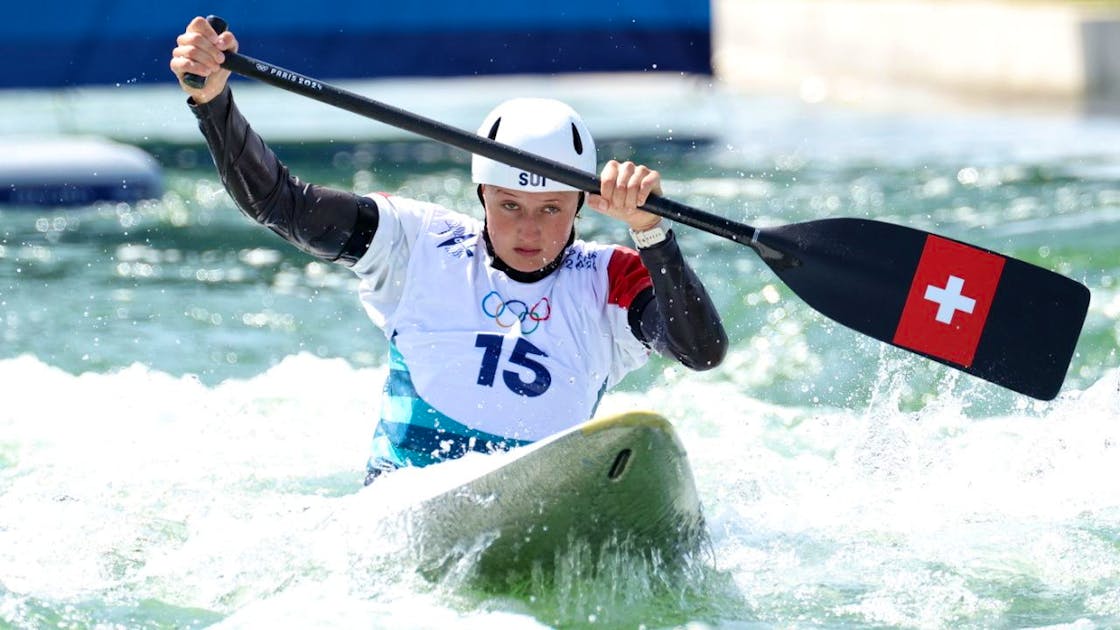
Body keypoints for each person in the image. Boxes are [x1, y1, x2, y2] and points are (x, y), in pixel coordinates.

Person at [170, 17, 727, 484]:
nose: (529, 231)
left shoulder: (613, 278)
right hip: (404, 500)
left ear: (580, 206)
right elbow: (281, 204)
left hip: (540, 498)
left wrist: (652, 229)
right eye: (510, 206)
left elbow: (701, 352)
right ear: (481, 194)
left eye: (551, 210)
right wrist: (213, 101)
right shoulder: (415, 243)